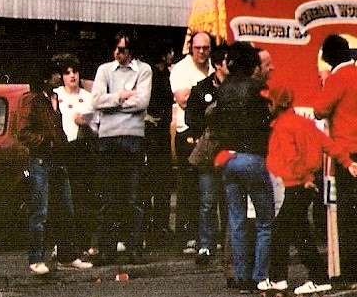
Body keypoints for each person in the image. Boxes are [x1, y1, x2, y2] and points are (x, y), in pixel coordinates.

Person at [264, 82, 357, 297]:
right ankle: (311, 277)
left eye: (269, 102)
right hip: (305, 182)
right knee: (299, 232)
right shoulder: (303, 123)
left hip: (298, 183)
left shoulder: (283, 126)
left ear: (275, 104)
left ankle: (282, 278)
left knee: (281, 230)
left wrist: (304, 177)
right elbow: (327, 143)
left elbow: (291, 156)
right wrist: (347, 162)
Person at [313, 34, 357, 281]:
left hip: (348, 150)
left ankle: (351, 267)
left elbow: (320, 110)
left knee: (347, 212)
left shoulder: (337, 79)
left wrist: (324, 83)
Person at [20, 55, 94, 275]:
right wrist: (46, 142)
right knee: (40, 211)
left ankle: (67, 255)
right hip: (41, 160)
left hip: (58, 159)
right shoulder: (32, 100)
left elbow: (58, 127)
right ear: (45, 77)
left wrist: (60, 144)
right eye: (55, 73)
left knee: (66, 209)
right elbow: (23, 132)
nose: (59, 77)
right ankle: (35, 259)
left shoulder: (53, 98)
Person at [210, 45, 275, 293]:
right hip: (253, 157)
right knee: (264, 221)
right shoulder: (256, 89)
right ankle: (260, 275)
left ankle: (241, 275)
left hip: (229, 158)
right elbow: (265, 123)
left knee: (236, 220)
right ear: (253, 65)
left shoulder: (224, 89)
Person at [87, 33, 153, 262]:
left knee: (133, 197)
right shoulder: (104, 70)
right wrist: (122, 97)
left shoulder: (144, 70)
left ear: (131, 51)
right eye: (115, 48)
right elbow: (95, 101)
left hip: (132, 137)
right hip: (108, 138)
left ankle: (134, 247)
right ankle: (107, 249)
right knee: (109, 196)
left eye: (123, 49)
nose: (118, 53)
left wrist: (112, 103)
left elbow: (142, 102)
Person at [169, 30, 215, 255]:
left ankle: (206, 237)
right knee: (188, 188)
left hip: (211, 134)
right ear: (191, 47)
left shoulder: (215, 67)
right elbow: (183, 99)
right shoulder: (181, 68)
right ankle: (187, 237)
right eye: (198, 48)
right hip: (187, 132)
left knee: (209, 190)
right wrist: (208, 97)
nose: (202, 52)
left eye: (206, 48)